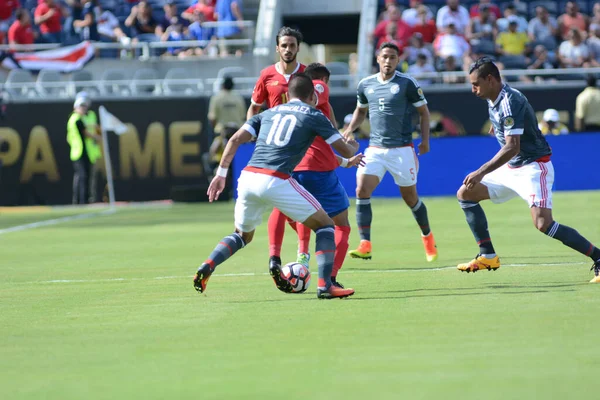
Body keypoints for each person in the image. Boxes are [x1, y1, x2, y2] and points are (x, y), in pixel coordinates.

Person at [193, 73, 359, 299]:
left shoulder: (268, 113)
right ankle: (325, 286)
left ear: (288, 95)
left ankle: (208, 265)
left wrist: (221, 174)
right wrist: (352, 145)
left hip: (248, 178)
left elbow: (234, 140)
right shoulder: (314, 114)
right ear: (312, 96)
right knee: (325, 226)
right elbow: (346, 151)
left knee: (242, 235)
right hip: (276, 178)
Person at [458, 57, 599, 283]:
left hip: (534, 167)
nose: (473, 89)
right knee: (465, 193)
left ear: (490, 79)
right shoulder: (492, 98)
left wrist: (481, 171)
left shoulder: (509, 100)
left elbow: (513, 147)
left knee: (543, 224)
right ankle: (487, 255)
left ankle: (598, 257)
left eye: (476, 84)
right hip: (512, 168)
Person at [344, 42, 438, 262]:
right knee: (361, 190)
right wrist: (349, 129)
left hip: (402, 149)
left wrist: (425, 141)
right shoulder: (366, 84)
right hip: (375, 148)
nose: (388, 61)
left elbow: (424, 113)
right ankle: (365, 243)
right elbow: (360, 111)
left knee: (410, 198)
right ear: (378, 58)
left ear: (398, 60)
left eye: (392, 57)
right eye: (384, 57)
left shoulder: (407, 84)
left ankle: (428, 237)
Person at [290, 63, 365, 289]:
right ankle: (329, 278)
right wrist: (349, 150)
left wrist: (344, 160)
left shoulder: (291, 108)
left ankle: (302, 253)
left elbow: (325, 147)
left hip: (295, 170)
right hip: (318, 172)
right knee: (341, 225)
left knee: (308, 219)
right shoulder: (319, 88)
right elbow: (328, 148)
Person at [246, 26, 307, 280]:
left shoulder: (307, 75)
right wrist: (255, 135)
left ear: (298, 48)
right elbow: (254, 108)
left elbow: (321, 107)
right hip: (276, 151)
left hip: (303, 149)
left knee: (300, 203)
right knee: (284, 204)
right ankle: (283, 256)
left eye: (292, 45)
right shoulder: (266, 75)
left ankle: (293, 255)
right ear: (277, 48)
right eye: (284, 45)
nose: (288, 49)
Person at [66, 96, 100, 204]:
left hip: (83, 151)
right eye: (81, 106)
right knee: (82, 177)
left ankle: (81, 200)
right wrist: (97, 137)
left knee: (83, 177)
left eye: (85, 106)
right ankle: (82, 200)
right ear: (76, 107)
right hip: (79, 152)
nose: (84, 109)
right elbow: (85, 133)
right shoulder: (76, 119)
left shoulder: (79, 119)